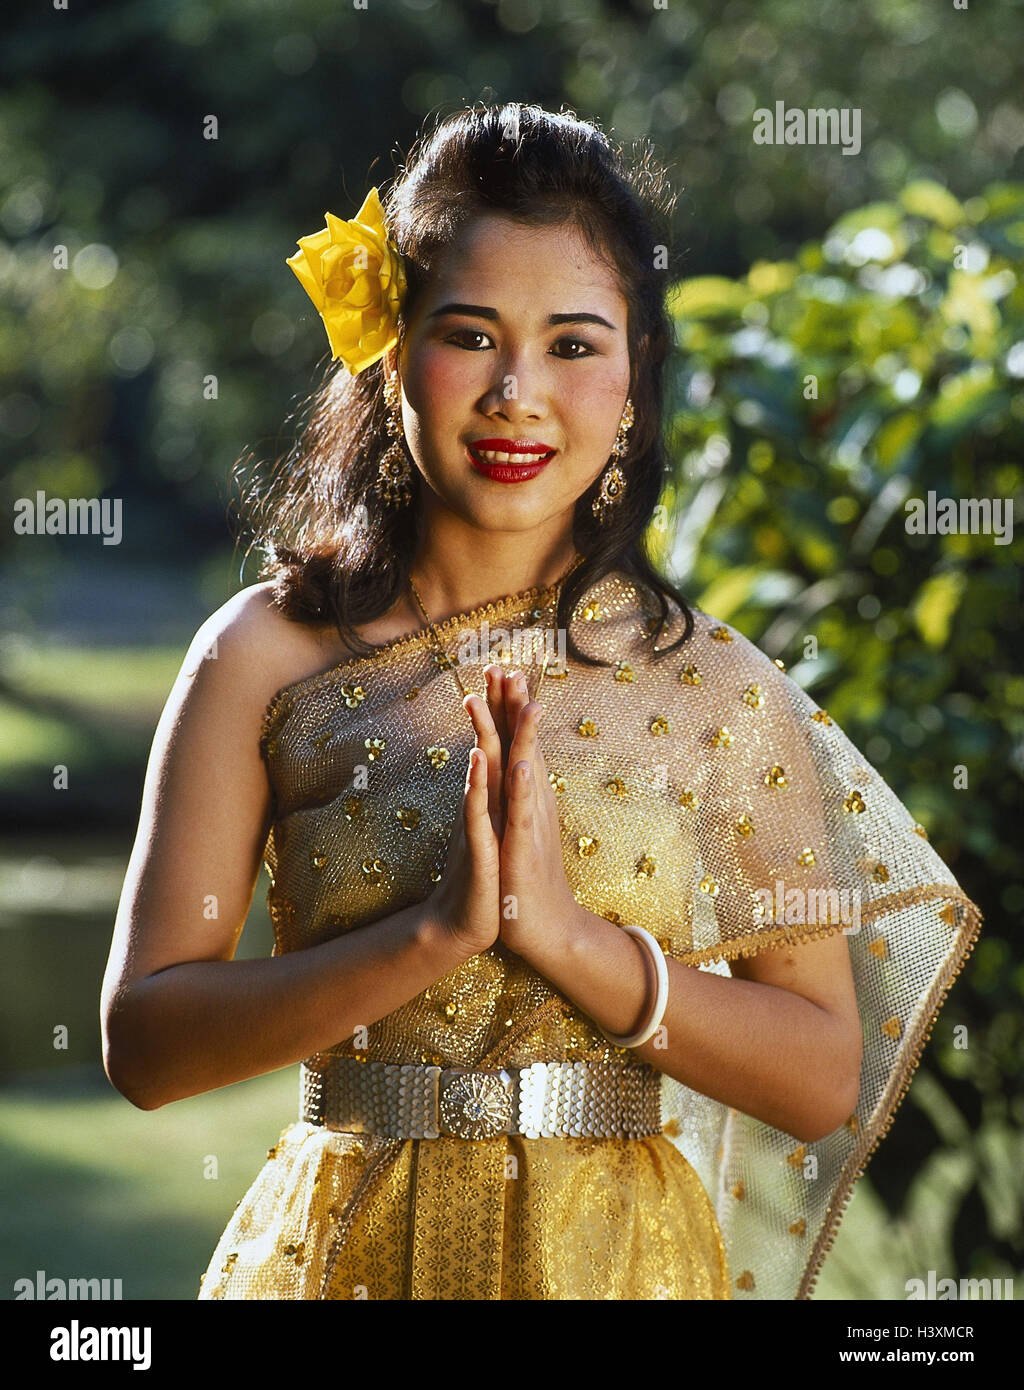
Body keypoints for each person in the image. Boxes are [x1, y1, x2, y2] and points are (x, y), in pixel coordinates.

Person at [101, 101, 981, 1301]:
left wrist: (567, 941)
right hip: (340, 1261)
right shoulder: (264, 656)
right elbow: (145, 1046)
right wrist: (431, 935)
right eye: (469, 335)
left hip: (620, 1267)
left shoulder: (711, 686)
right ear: (390, 351)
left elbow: (822, 1069)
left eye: (573, 344)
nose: (518, 391)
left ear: (631, 382)